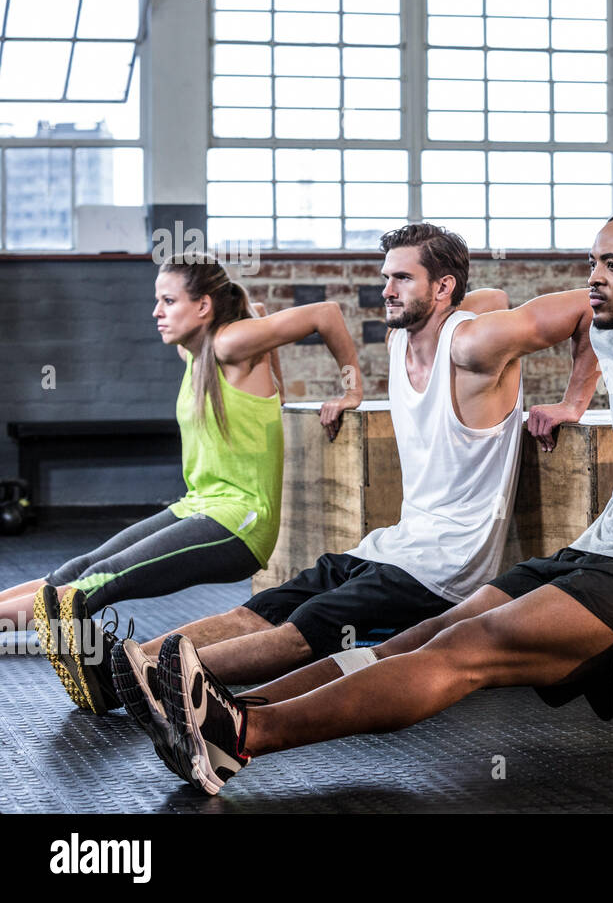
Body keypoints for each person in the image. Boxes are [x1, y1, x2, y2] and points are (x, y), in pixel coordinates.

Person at [117, 206, 613, 795]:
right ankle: (212, 718)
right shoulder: (610, 325)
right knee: (419, 636)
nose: (595, 279)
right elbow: (560, 317)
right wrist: (578, 401)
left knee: (463, 652)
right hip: (598, 551)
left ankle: (247, 731)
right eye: (592, 263)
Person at [102, 223, 602, 777]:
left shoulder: (474, 343)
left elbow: (587, 307)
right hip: (391, 546)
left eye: (402, 279)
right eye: (385, 276)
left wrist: (573, 402)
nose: (386, 289)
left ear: (441, 288)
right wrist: (352, 390)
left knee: (304, 629)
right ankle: (134, 663)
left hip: (443, 568)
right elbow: (493, 297)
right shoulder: (402, 338)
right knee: (266, 607)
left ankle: (155, 683)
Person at [0, 253, 363, 714]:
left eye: (168, 301)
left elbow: (324, 313)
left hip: (236, 523)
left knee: (98, 581)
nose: (156, 311)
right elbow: (268, 351)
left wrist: (351, 388)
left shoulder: (230, 342)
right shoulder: (193, 349)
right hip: (198, 506)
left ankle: (113, 679)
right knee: (76, 570)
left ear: (204, 306)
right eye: (158, 300)